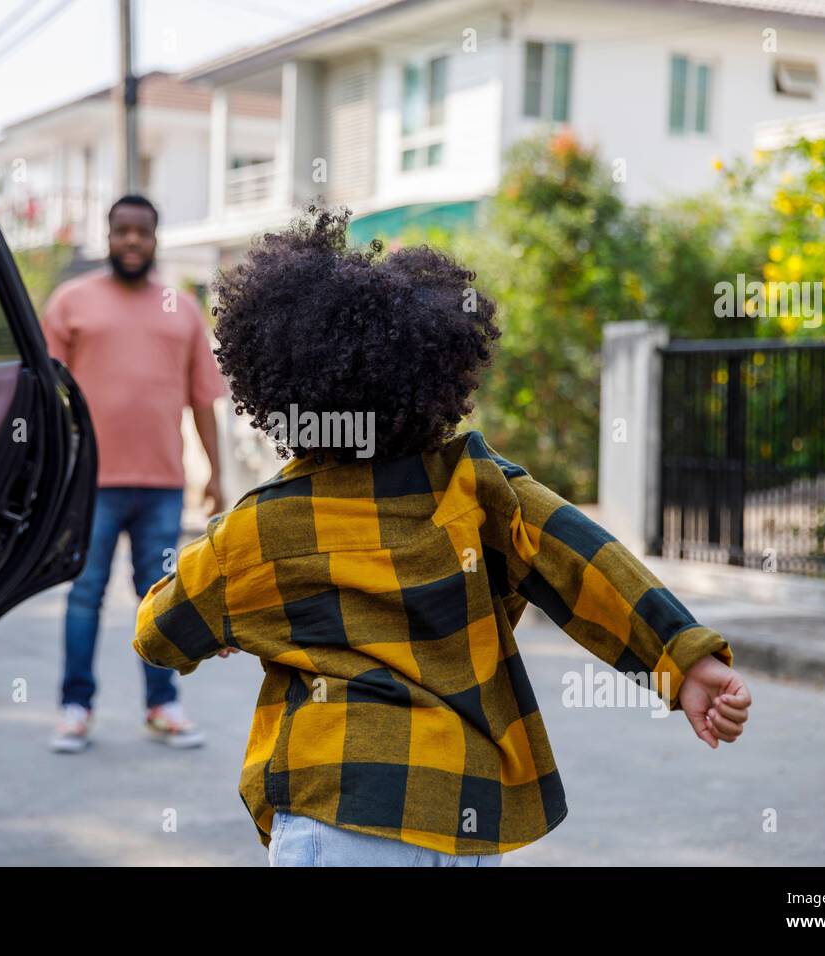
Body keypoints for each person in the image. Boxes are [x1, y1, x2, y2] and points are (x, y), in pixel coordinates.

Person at [133, 205, 752, 866]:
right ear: (438, 375)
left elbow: (158, 635)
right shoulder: (478, 486)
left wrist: (228, 622)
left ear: (278, 393)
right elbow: (585, 561)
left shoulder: (261, 530)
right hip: (463, 812)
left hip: (338, 809)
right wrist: (683, 661)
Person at [42, 194, 228, 753]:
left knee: (161, 595)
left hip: (162, 485)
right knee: (84, 595)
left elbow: (202, 401)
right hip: (88, 484)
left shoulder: (182, 309)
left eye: (141, 232)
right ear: (107, 235)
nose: (131, 241)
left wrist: (217, 475)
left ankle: (162, 702)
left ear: (155, 238)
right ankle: (75, 707)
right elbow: (44, 398)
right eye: (121, 231)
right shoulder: (71, 302)